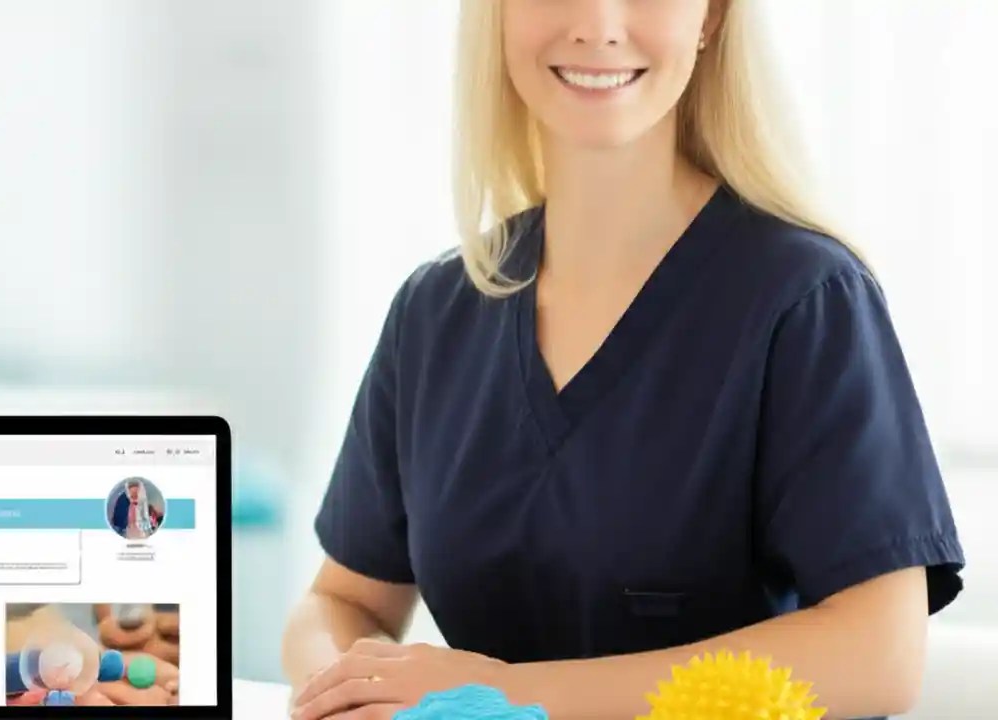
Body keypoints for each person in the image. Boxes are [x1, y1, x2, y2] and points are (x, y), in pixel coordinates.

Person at [282, 2, 966, 719]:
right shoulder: (436, 312)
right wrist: (353, 694)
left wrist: (510, 698)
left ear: (712, 17)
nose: (599, 24)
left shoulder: (806, 300)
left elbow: (879, 657)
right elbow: (340, 600)